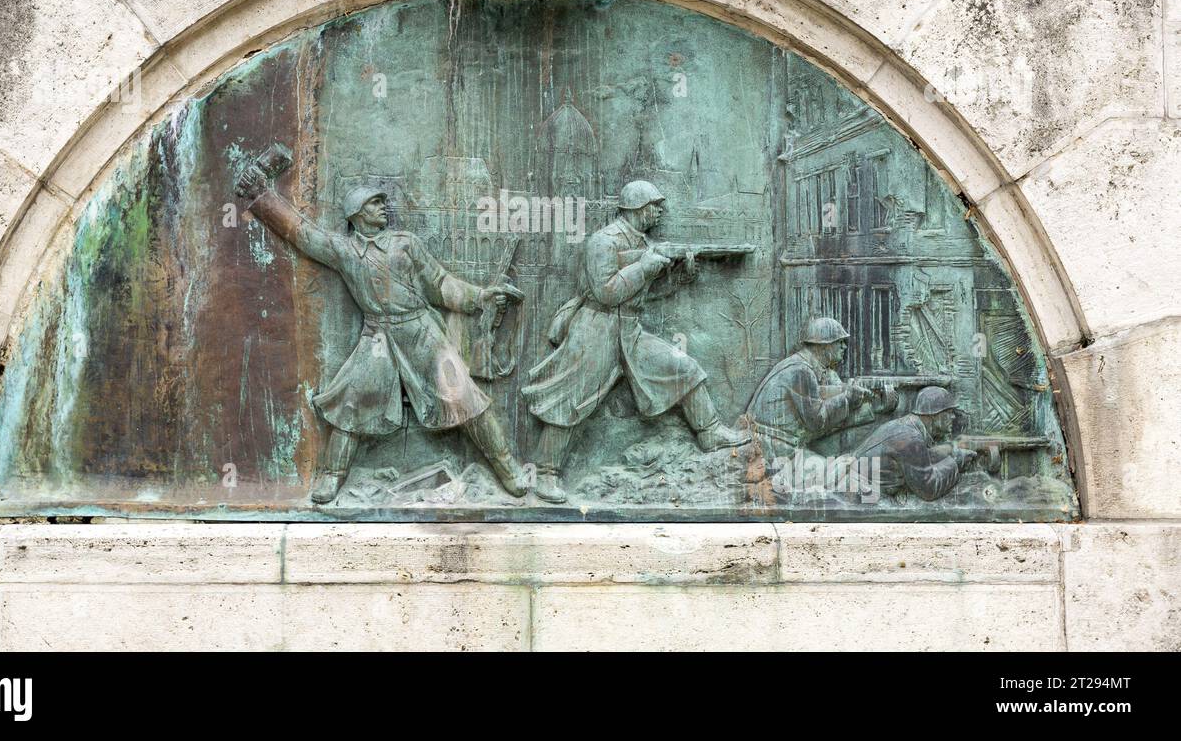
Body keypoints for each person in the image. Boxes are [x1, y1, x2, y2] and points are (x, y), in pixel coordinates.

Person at [236, 168, 528, 503]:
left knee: (464, 395)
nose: (382, 209)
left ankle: (507, 466)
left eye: (382, 203)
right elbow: (303, 234)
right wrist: (262, 197)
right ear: (357, 215)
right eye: (374, 205)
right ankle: (332, 476)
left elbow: (440, 284)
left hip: (420, 330)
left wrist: (480, 296)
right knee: (352, 401)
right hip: (378, 335)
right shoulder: (344, 250)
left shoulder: (406, 245)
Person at [521, 180, 749, 503]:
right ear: (638, 209)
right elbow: (605, 291)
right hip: (596, 329)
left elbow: (646, 296)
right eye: (655, 206)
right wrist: (643, 266)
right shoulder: (603, 241)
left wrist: (681, 274)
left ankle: (709, 431)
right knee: (573, 400)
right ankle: (544, 474)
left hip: (629, 329)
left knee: (682, 366)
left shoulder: (644, 244)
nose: (659, 212)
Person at [743, 317, 895, 464]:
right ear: (824, 345)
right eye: (840, 342)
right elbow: (817, 422)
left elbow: (829, 415)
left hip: (783, 447)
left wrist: (873, 407)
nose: (844, 347)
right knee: (841, 474)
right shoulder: (800, 370)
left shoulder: (817, 370)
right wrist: (847, 398)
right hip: (771, 452)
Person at [848, 386, 977, 501]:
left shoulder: (906, 426)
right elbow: (928, 489)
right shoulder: (910, 438)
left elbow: (921, 457)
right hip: (860, 496)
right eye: (949, 413)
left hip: (860, 487)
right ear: (934, 414)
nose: (953, 417)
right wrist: (956, 463)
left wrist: (950, 452)